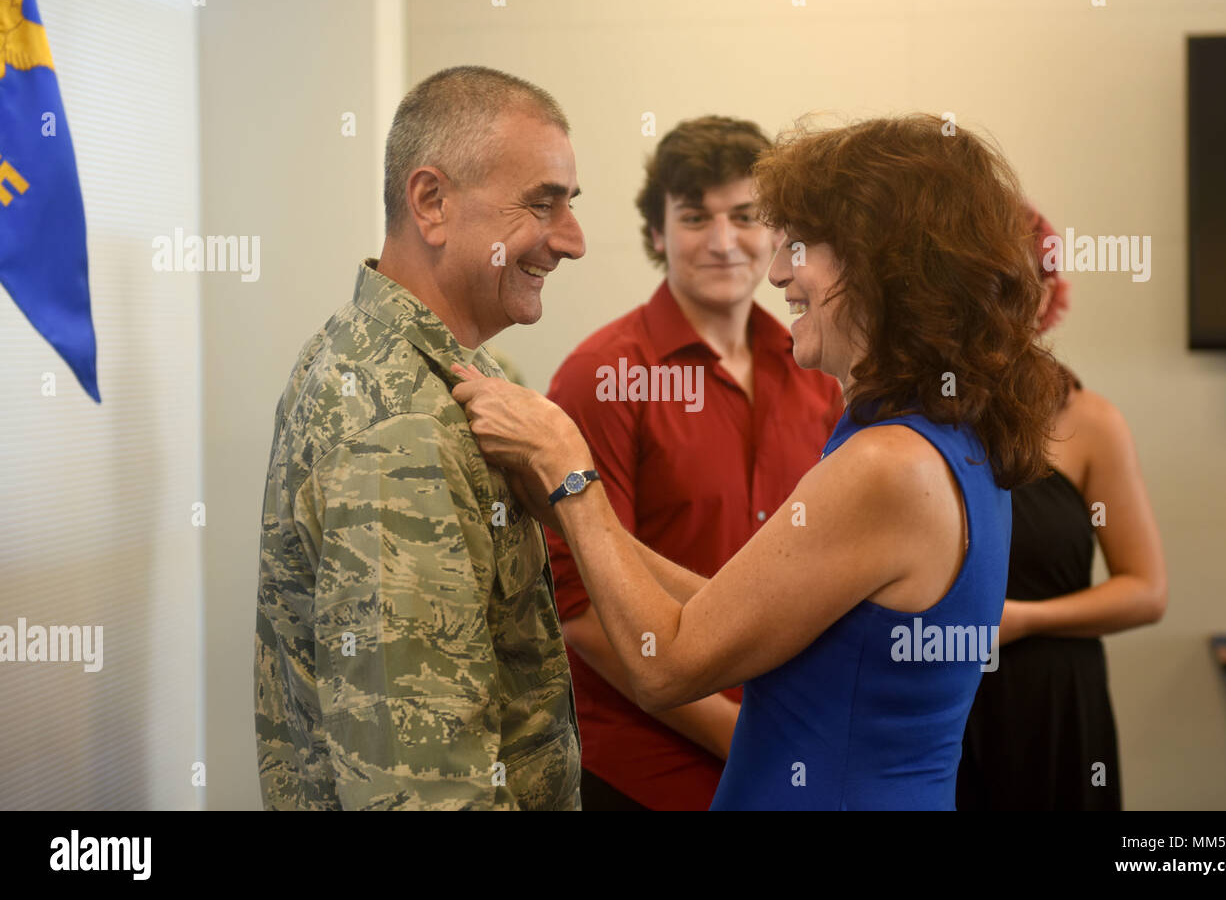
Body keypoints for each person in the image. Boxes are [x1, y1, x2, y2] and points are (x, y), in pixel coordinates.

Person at [451, 113, 1066, 810]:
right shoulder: (948, 437)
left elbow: (665, 665)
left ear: (885, 266)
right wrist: (573, 511)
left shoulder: (888, 464)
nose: (775, 270)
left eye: (803, 246)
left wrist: (572, 477)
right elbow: (736, 607)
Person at [254, 66, 586, 810]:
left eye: (571, 205)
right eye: (542, 204)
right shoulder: (398, 426)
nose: (573, 240)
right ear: (432, 202)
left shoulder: (444, 369)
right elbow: (422, 791)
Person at [545, 116, 842, 811]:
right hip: (643, 771)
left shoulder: (817, 370)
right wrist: (742, 736)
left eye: (745, 216)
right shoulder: (604, 375)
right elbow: (580, 607)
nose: (723, 241)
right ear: (657, 233)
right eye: (694, 217)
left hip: (785, 752)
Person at [956, 209, 1168, 810]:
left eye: (1012, 285)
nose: (991, 307)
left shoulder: (1090, 422)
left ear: (1045, 297)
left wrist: (1024, 619)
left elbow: (1146, 591)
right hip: (940, 692)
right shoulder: (912, 418)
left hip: (1052, 701)